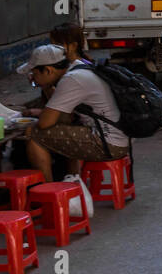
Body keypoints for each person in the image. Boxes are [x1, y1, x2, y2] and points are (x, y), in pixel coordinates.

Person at [17, 44, 128, 180]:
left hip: (109, 144)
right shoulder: (78, 68)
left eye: (34, 74)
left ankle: (48, 191)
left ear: (48, 70)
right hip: (120, 138)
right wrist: (46, 86)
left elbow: (45, 123)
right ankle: (73, 181)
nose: (33, 78)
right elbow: (64, 117)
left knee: (34, 133)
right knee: (66, 129)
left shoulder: (71, 80)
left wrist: (44, 87)